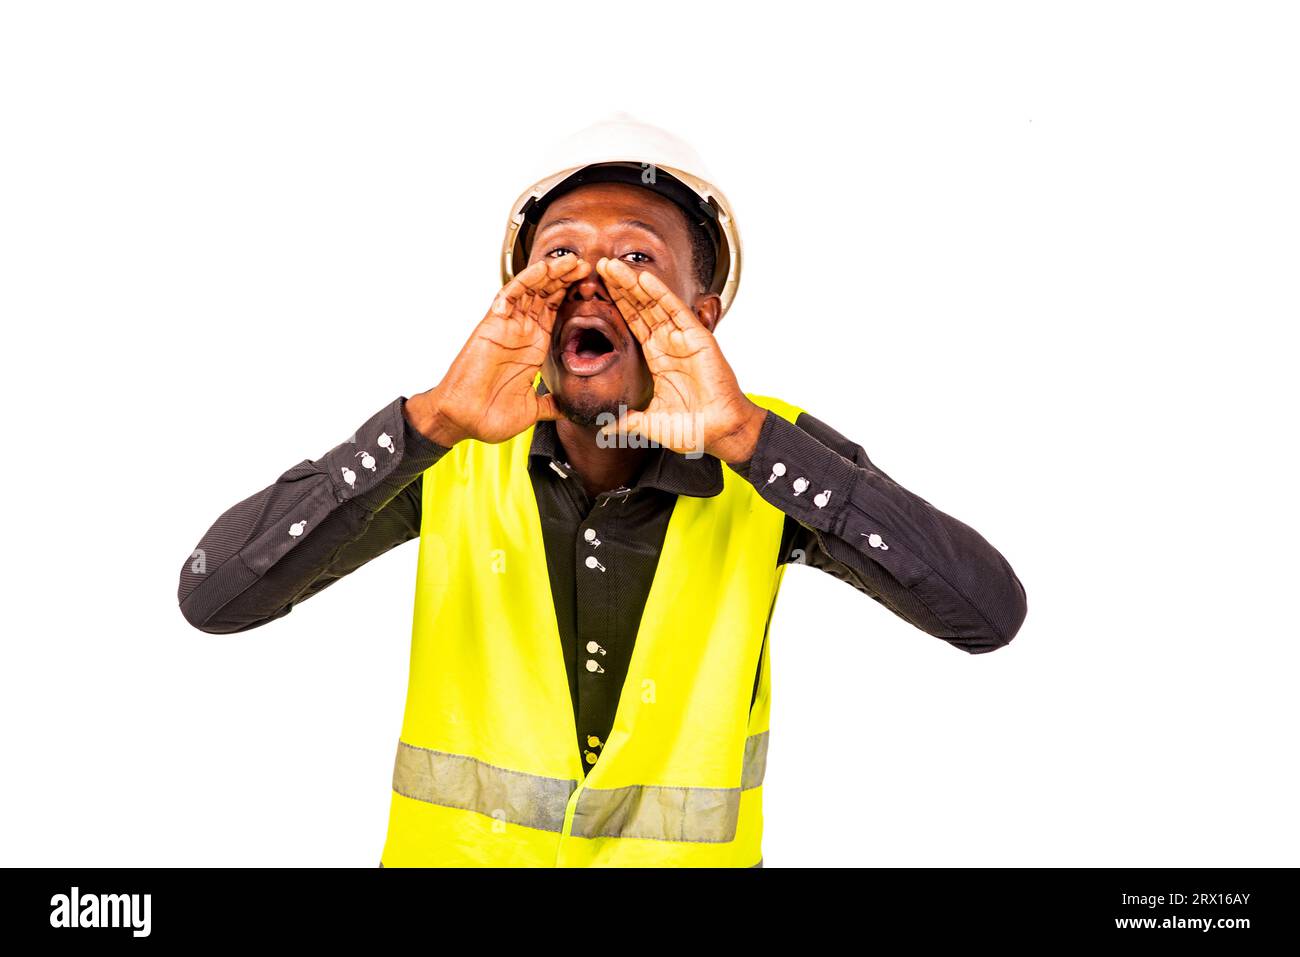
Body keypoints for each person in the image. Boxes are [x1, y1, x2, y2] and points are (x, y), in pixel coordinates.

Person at [177, 114, 1027, 867]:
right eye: (559, 254)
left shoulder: (768, 451)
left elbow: (986, 613)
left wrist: (747, 440)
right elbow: (215, 596)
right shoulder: (446, 449)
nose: (591, 277)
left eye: (634, 257)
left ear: (704, 311)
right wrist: (428, 424)